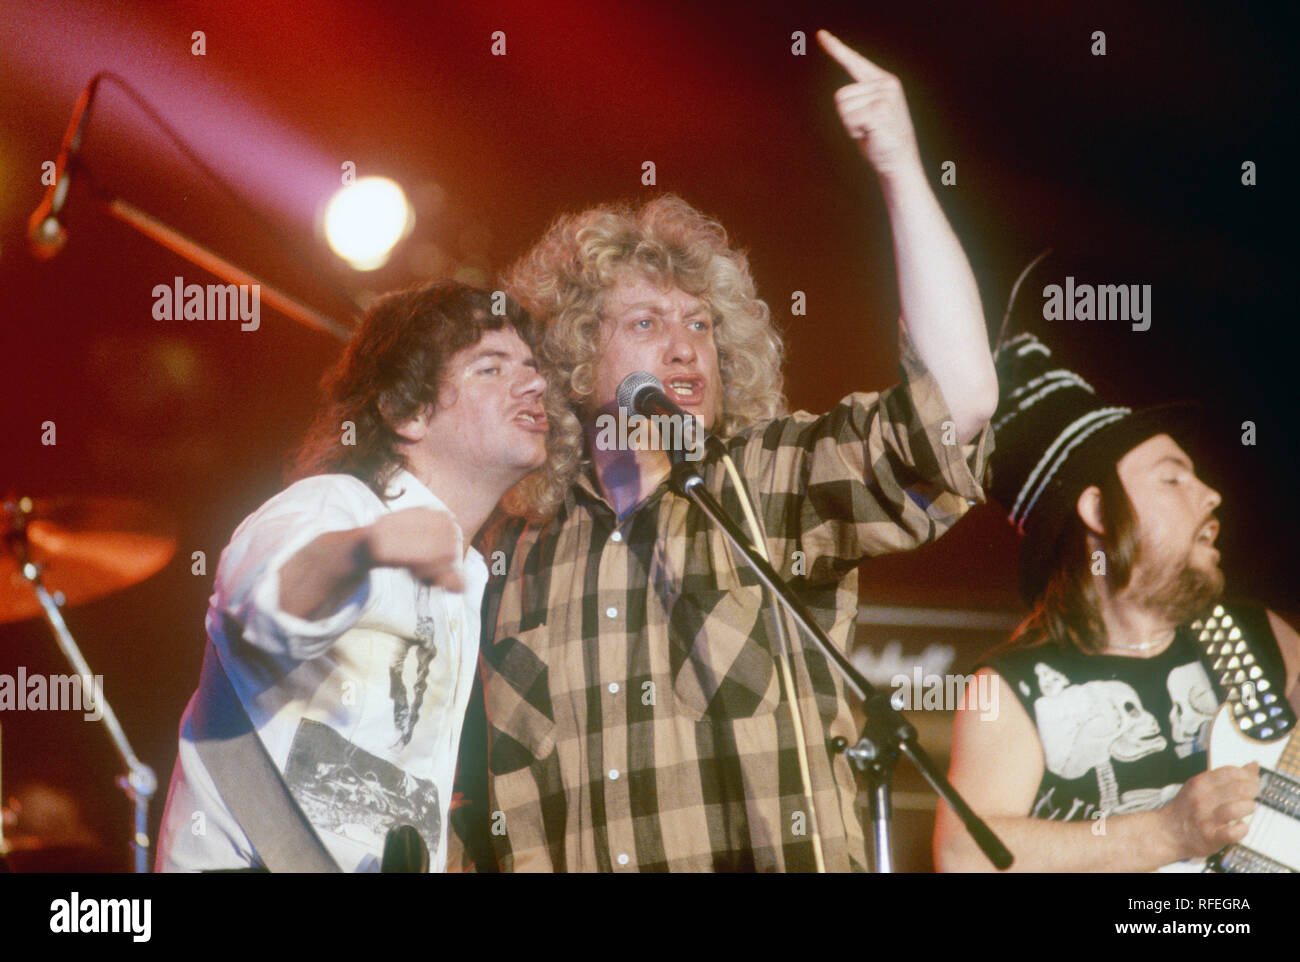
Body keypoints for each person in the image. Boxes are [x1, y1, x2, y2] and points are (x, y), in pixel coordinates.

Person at [453, 30, 998, 872]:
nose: (683, 349)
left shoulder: (763, 483)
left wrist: (899, 168)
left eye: (700, 326)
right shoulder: (510, 544)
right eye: (646, 323)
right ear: (571, 352)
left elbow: (956, 407)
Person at [156, 281, 549, 872]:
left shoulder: (466, 571)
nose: (534, 383)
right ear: (405, 411)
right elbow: (259, 606)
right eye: (490, 368)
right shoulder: (334, 505)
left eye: (532, 366)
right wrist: (368, 548)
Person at [933, 332, 1300, 872]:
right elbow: (965, 857)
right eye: (1172, 478)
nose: (1210, 494)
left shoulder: (1253, 633)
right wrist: (1167, 832)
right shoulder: (1017, 687)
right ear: (1100, 513)